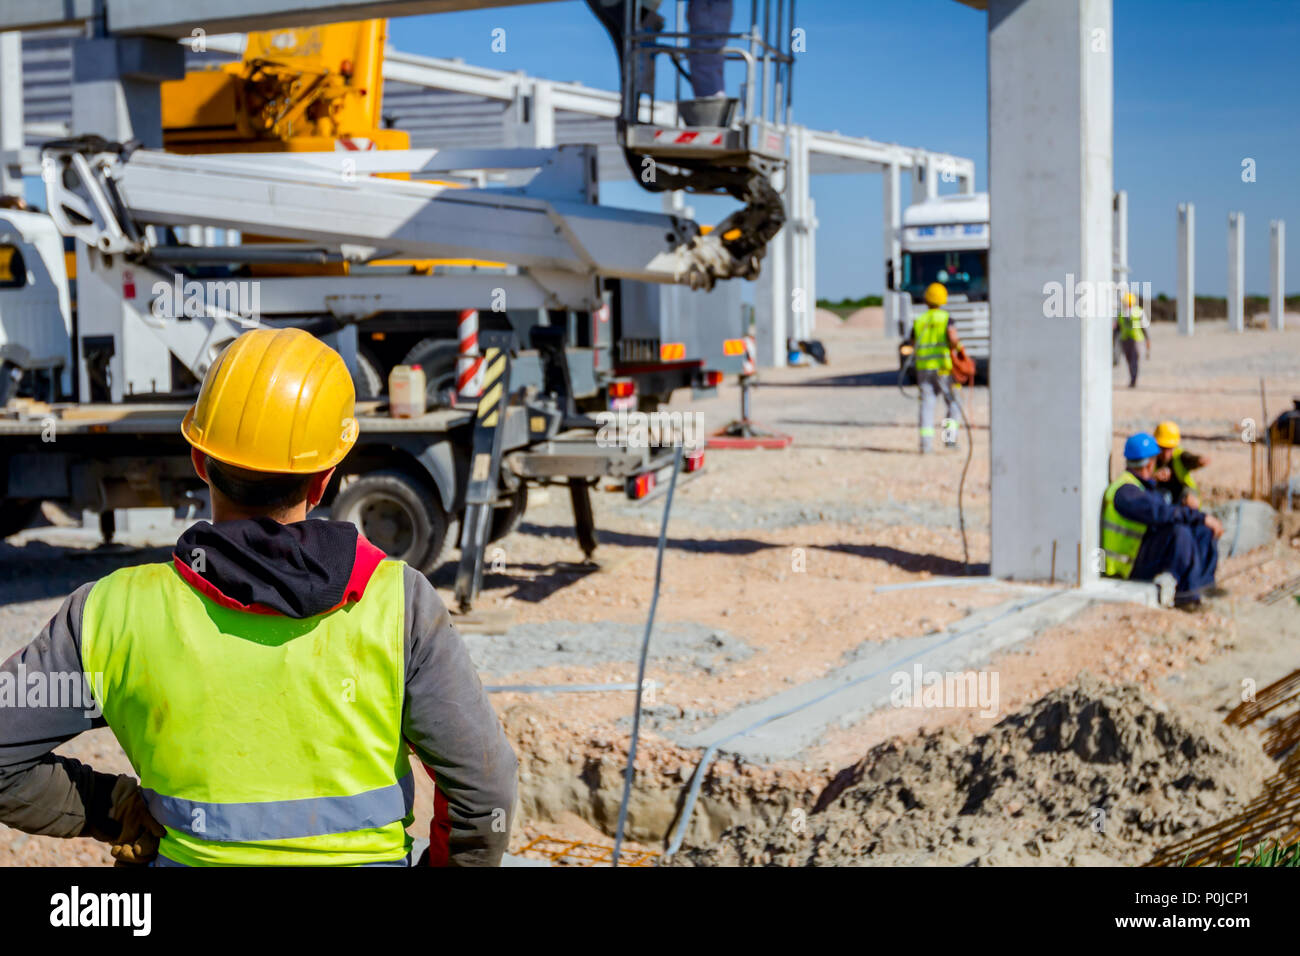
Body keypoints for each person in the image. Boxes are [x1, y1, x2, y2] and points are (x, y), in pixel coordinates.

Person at [0, 328, 518, 866]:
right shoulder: (398, 603)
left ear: (200, 461)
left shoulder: (110, 612)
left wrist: (118, 808)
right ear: (324, 479)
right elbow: (485, 791)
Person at [1101, 432, 1224, 606]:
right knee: (1178, 533)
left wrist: (1200, 520)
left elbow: (1162, 509)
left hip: (1139, 555)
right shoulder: (1126, 491)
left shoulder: (1140, 486)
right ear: (1150, 463)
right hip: (1127, 567)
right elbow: (1160, 512)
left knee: (1202, 531)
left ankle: (1204, 588)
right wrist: (1201, 517)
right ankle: (1187, 597)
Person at [910, 282, 965, 453]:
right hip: (944, 369)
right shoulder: (946, 318)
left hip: (923, 369)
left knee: (927, 404)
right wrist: (960, 349)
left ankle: (925, 445)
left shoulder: (920, 320)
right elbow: (953, 339)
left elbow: (912, 343)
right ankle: (949, 440)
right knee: (953, 403)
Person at [1153, 419, 1208, 509]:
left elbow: (1190, 459)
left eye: (1169, 448)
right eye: (1162, 448)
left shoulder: (1179, 456)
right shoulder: (1150, 460)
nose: (1165, 453)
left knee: (1191, 501)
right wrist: (1154, 477)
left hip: (1182, 495)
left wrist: (1199, 461)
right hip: (1161, 498)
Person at [686, 0, 734, 99]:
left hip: (708, 7)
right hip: (710, 8)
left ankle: (712, 101)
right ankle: (712, 100)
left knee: (706, 52)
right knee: (706, 53)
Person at [1115, 291, 1149, 388]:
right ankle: (1132, 378)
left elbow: (1144, 327)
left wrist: (1147, 340)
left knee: (1134, 360)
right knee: (1129, 360)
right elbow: (1118, 328)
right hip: (1125, 340)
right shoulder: (1121, 314)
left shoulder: (1139, 312)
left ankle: (1133, 379)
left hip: (1136, 340)